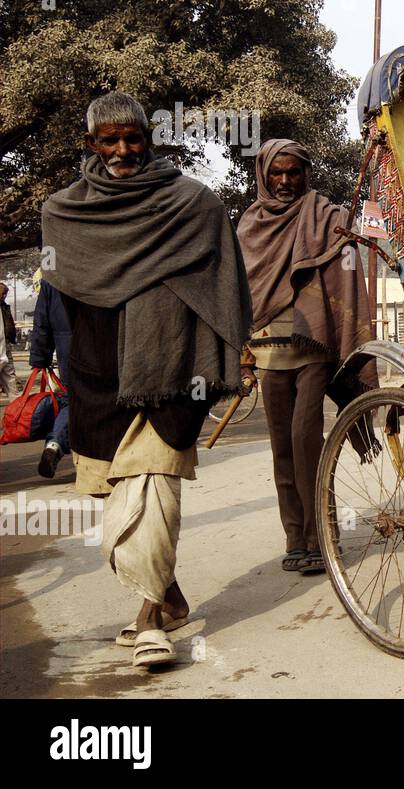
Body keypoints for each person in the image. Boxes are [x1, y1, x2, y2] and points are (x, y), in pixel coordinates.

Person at [41, 90, 252, 668]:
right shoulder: (63, 213)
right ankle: (172, 596)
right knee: (119, 501)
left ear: (148, 138)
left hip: (171, 370)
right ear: (91, 144)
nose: (122, 149)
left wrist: (229, 354)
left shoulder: (192, 205)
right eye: (109, 139)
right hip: (96, 374)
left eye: (132, 137)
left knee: (154, 494)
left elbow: (222, 284)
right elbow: (62, 297)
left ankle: (148, 622)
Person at [237, 139, 376, 576]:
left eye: (292, 172)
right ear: (262, 174)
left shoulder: (326, 215)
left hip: (314, 345)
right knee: (281, 445)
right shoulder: (248, 226)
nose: (284, 181)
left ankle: (321, 535)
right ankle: (294, 537)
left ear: (305, 174)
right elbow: (243, 293)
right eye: (276, 173)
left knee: (304, 436)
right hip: (268, 348)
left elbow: (367, 231)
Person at [29, 275, 73, 477]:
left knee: (71, 402)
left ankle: (55, 444)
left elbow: (42, 323)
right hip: (104, 348)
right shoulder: (98, 261)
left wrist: (40, 358)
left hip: (69, 352)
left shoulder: (52, 278)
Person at [0, 282, 16, 396]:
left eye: (5, 294)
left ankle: (16, 407)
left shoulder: (4, 307)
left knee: (10, 375)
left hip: (5, 343)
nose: (4, 296)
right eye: (2, 293)